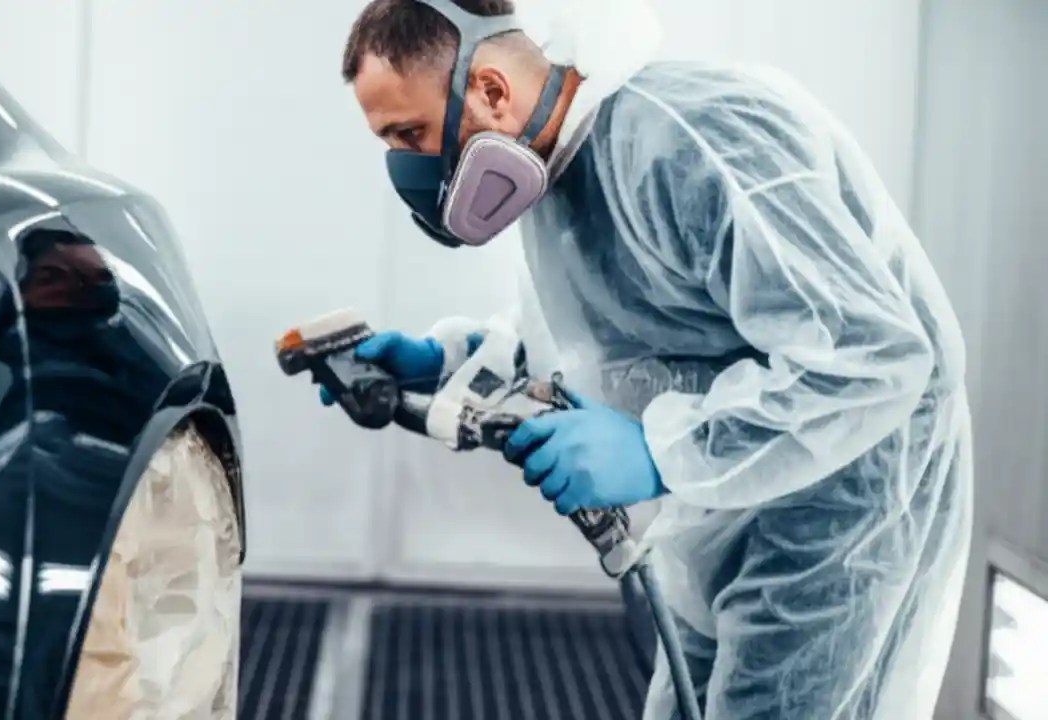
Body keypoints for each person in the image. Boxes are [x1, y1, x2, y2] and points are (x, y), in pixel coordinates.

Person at [327, 1, 974, 718]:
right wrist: (444, 362)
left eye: (409, 134)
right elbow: (588, 341)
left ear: (491, 92)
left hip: (838, 514)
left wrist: (660, 450)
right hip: (727, 506)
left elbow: (869, 354)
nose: (409, 169)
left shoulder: (692, 137)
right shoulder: (558, 173)